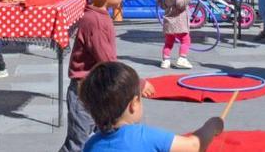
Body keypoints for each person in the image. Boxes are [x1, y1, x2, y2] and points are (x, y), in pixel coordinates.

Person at [60, 0, 155, 152]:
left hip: (97, 89)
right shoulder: (94, 21)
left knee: (106, 135)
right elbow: (108, 62)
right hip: (84, 92)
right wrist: (137, 82)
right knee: (78, 142)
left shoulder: (100, 16)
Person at [80, 61, 223, 152]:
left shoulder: (91, 145)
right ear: (134, 104)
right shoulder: (145, 137)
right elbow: (194, 146)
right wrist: (212, 125)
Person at [157, 0, 193, 69]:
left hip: (169, 24)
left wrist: (159, 0)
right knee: (186, 40)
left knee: (168, 43)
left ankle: (165, 60)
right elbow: (181, 5)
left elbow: (164, 6)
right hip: (179, 23)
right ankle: (182, 58)